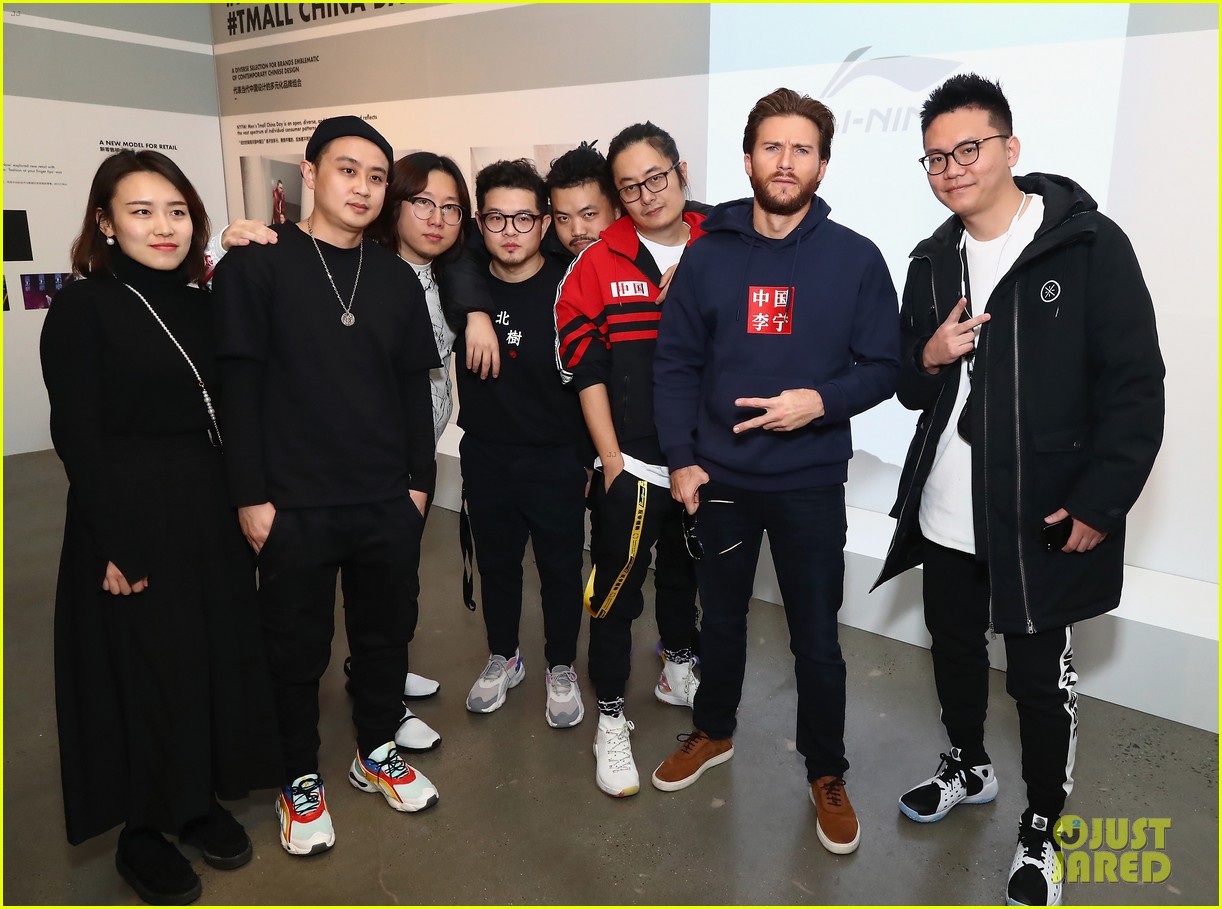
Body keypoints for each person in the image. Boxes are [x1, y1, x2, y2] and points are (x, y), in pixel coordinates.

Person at [873, 74, 1165, 906]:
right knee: (955, 651)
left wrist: (1101, 503)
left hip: (1040, 518)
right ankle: (968, 765)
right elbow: (909, 386)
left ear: (1011, 147)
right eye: (936, 157)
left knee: (1039, 683)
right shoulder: (931, 260)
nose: (952, 169)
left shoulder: (1087, 245)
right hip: (945, 511)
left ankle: (1042, 824)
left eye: (968, 149)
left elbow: (1136, 386)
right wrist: (928, 356)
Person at [651, 88, 900, 857]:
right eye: (772, 146)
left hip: (809, 482)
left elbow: (884, 365)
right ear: (748, 158)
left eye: (802, 149)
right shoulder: (709, 253)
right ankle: (714, 729)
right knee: (720, 622)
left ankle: (827, 769)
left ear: (822, 164)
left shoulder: (856, 258)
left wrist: (818, 401)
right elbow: (675, 362)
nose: (785, 162)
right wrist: (683, 459)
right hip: (721, 478)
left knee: (816, 638)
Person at [41, 149, 281, 904]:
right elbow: (77, 434)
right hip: (132, 511)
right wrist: (114, 541)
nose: (163, 226)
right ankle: (141, 830)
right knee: (143, 671)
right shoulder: (84, 307)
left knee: (206, 656)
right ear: (106, 223)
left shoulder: (205, 301)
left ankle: (195, 801)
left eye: (176, 210)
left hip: (210, 507)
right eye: (141, 211)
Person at [211, 116, 441, 857]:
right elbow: (238, 389)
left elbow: (412, 391)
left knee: (385, 636)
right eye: (348, 170)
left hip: (384, 499)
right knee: (294, 651)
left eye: (376, 177)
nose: (363, 188)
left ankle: (375, 749)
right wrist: (250, 495)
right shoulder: (258, 266)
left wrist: (419, 485)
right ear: (310, 173)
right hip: (292, 504)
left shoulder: (396, 277)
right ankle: (297, 776)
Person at [555, 122, 704, 798]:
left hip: (702, 462)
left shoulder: (718, 242)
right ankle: (610, 717)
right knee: (615, 594)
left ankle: (679, 667)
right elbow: (584, 371)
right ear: (617, 197)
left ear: (680, 171)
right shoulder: (594, 264)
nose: (647, 194)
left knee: (685, 575)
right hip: (634, 467)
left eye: (657, 177)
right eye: (630, 186)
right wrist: (611, 459)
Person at [457, 159, 591, 728]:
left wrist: (589, 458)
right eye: (496, 218)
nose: (509, 231)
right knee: (497, 565)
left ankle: (561, 665)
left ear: (543, 223)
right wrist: (474, 312)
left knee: (560, 568)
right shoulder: (461, 283)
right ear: (478, 223)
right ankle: (504, 655)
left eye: (523, 219)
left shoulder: (571, 282)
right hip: (486, 453)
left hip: (557, 455)